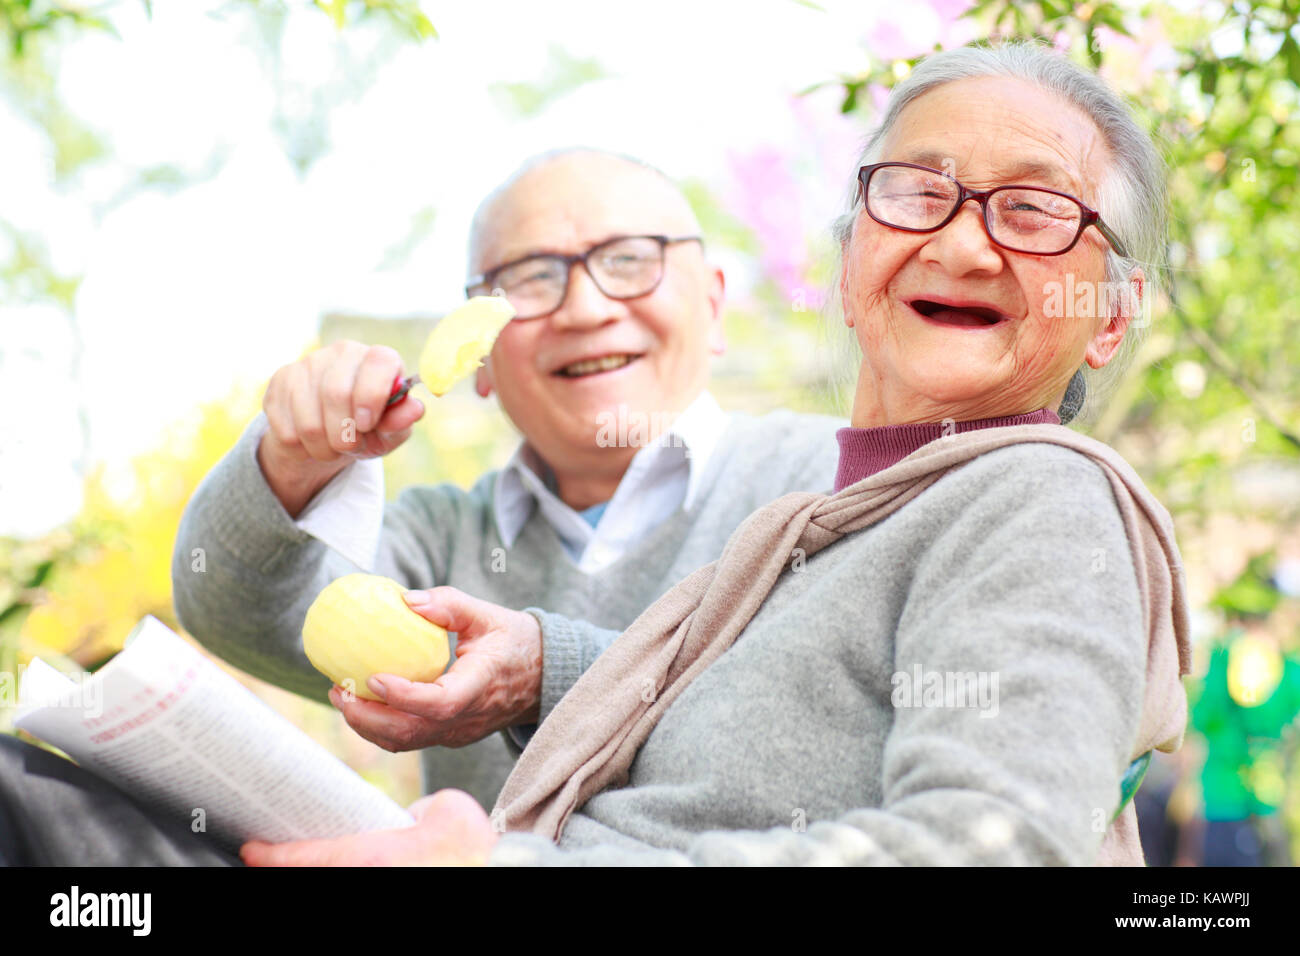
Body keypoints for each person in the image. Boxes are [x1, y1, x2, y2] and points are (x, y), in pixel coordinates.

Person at [241, 39, 1195, 867]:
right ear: (854, 255)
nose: (964, 244)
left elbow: (995, 850)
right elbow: (794, 718)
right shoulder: (821, 522)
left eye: (1032, 211)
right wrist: (544, 667)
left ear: (1108, 318)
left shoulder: (1037, 500)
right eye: (917, 191)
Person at [167, 148, 845, 810]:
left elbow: (828, 729)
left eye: (630, 260)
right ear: (479, 356)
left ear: (714, 306)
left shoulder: (834, 482)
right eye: (530, 278)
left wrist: (550, 674)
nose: (585, 308)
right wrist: (290, 458)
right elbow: (240, 612)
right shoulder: (437, 543)